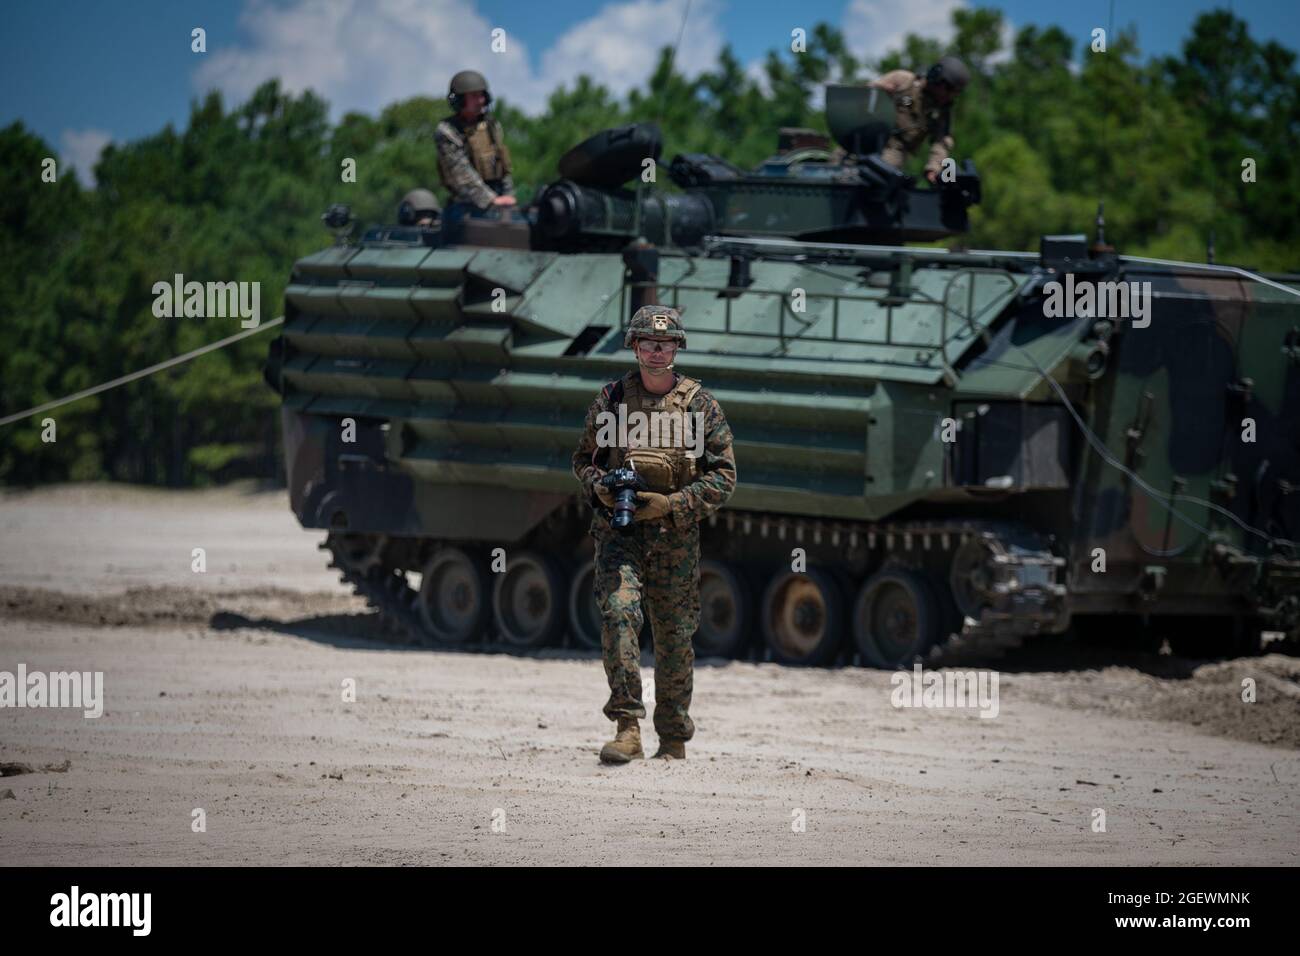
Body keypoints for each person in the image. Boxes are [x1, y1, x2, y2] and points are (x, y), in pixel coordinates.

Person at [571, 305, 737, 763]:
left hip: (674, 538)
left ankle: (673, 737)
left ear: (676, 348)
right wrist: (599, 488)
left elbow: (723, 477)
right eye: (649, 343)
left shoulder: (700, 407)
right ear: (636, 347)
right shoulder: (611, 401)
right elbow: (582, 460)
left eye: (665, 344)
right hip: (619, 533)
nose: (657, 352)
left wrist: (673, 504)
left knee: (675, 635)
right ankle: (627, 727)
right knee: (620, 615)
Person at [871, 55, 970, 184]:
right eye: (948, 89)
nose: (950, 96)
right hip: (867, 134)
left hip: (895, 151)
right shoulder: (903, 81)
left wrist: (933, 169)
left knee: (878, 177)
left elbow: (941, 142)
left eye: (955, 92)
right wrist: (879, 89)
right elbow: (866, 95)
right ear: (936, 77)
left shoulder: (941, 111)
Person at [434, 70, 517, 211]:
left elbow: (502, 167)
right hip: (465, 206)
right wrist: (491, 200)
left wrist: (509, 199)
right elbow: (460, 172)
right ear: (459, 100)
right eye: (474, 96)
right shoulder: (447, 131)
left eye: (482, 95)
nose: (481, 101)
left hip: (497, 201)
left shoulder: (491, 125)